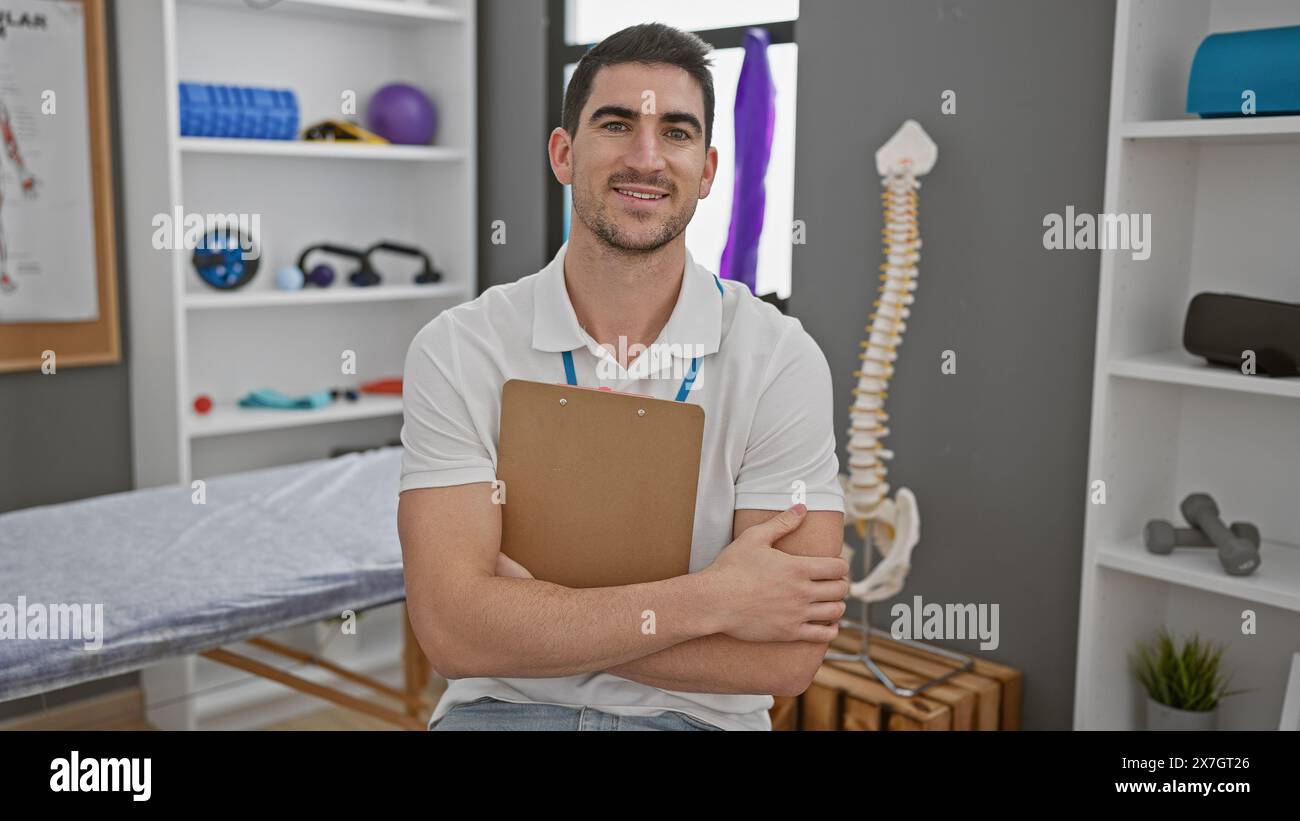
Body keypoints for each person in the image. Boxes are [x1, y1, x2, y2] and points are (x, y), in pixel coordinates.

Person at [399, 22, 847, 731]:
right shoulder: (459, 348)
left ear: (707, 170)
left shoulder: (781, 360)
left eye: (675, 132)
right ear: (563, 152)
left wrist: (535, 616)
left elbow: (784, 660)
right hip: (501, 710)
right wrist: (715, 600)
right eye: (616, 124)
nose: (647, 158)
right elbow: (455, 635)